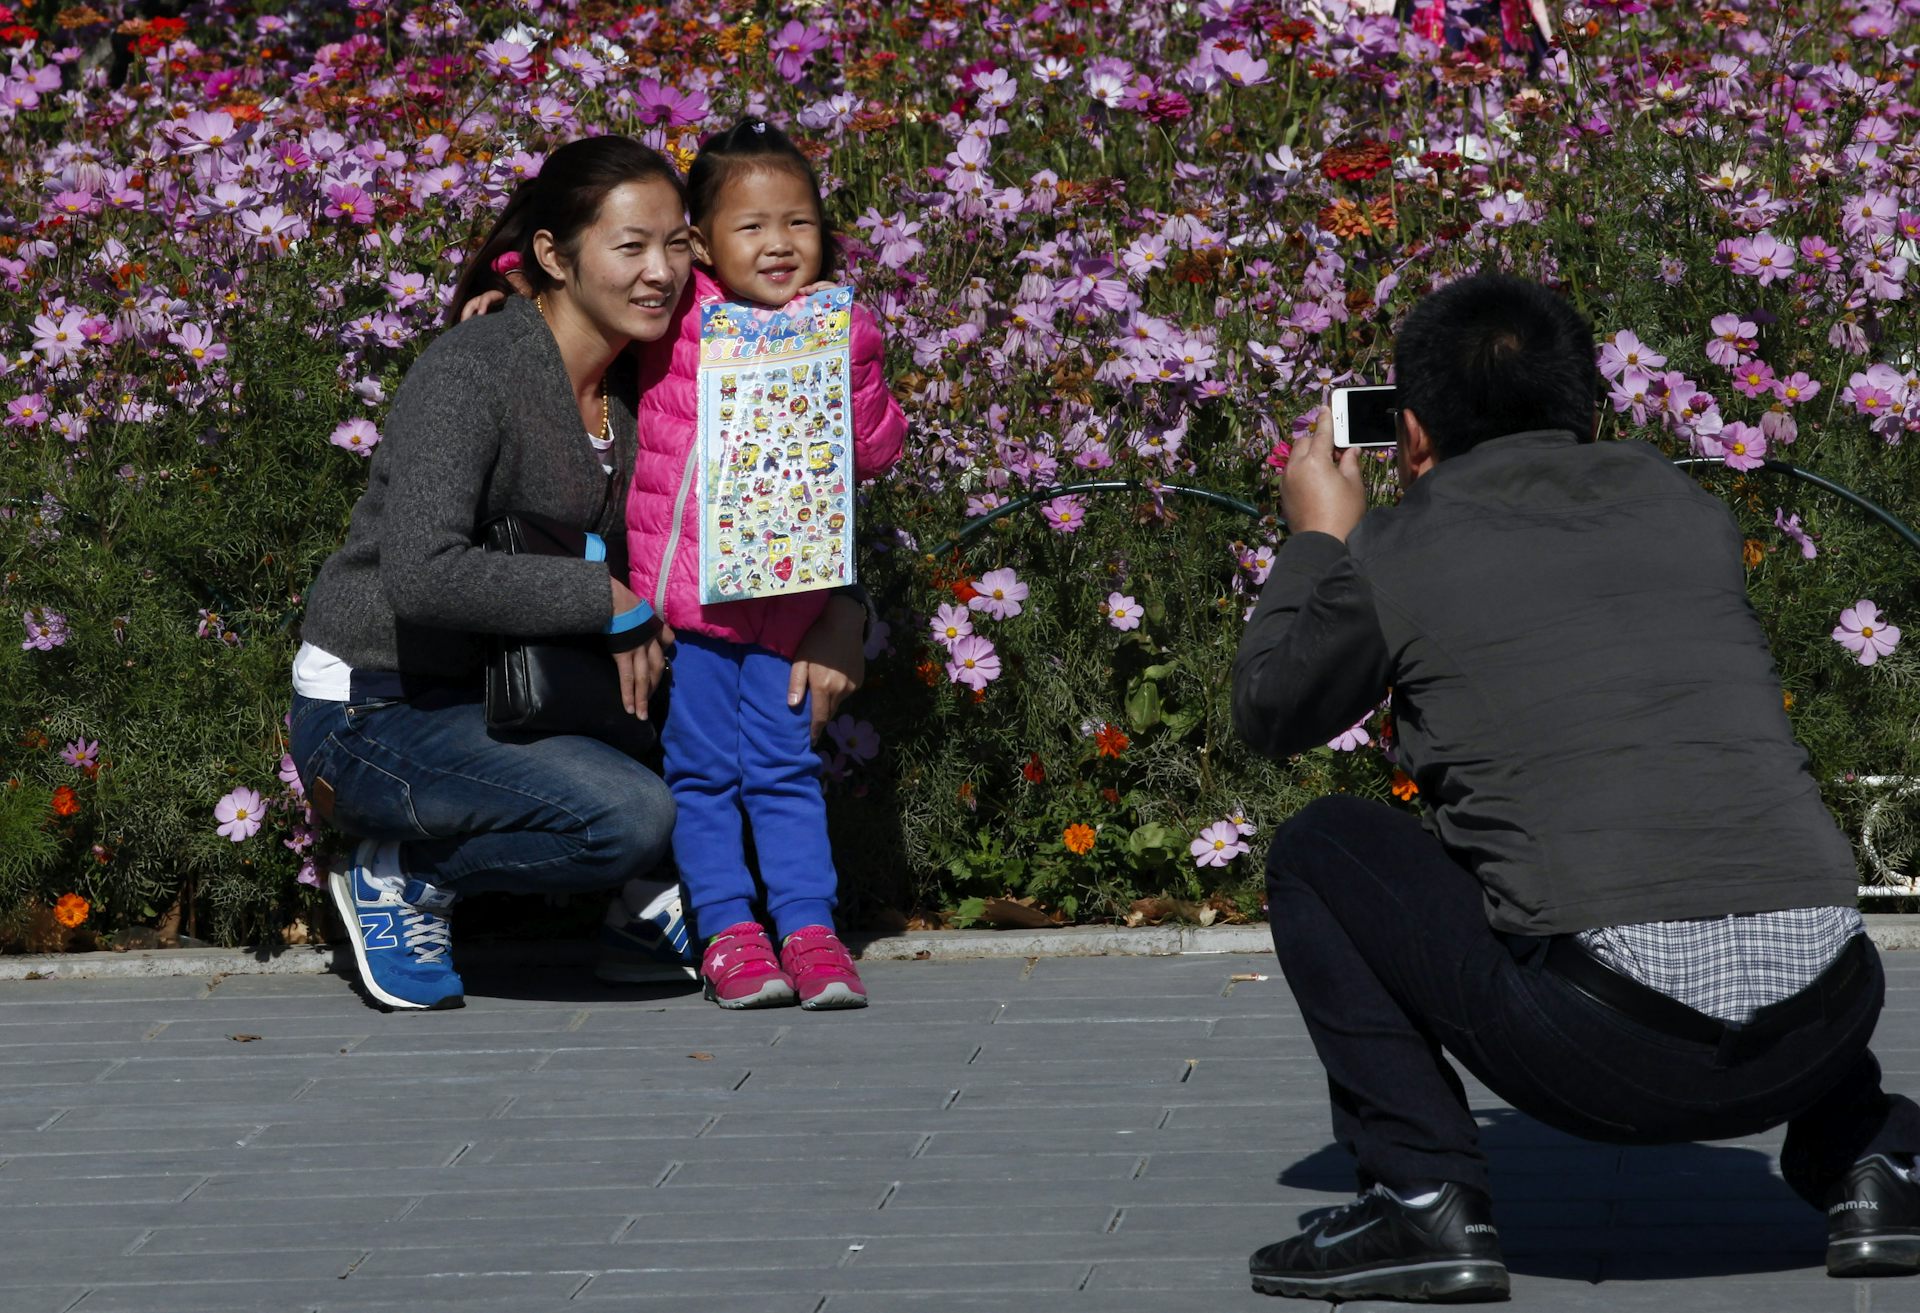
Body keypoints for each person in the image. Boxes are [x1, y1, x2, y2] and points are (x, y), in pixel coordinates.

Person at [1230, 271, 1920, 1303]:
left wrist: (1319, 537)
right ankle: (1876, 1157)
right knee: (1705, 821)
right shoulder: (1678, 504)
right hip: (1829, 1010)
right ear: (1587, 406)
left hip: (1612, 1052)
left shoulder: (1397, 545)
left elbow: (1270, 708)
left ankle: (1421, 1198)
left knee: (1322, 848)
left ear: (1411, 435)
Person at [289, 136, 869, 1011]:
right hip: (378, 701)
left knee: (719, 693)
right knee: (628, 816)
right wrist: (605, 601)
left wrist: (842, 612)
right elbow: (421, 571)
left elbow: (764, 503)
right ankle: (404, 872)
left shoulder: (655, 375)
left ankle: (641, 912)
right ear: (556, 256)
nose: (661, 273)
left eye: (677, 244)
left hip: (525, 688)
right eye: (629, 248)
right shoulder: (473, 368)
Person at [630, 118, 905, 1012]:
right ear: (703, 242)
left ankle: (810, 931)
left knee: (786, 768)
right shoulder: (677, 320)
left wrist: (855, 358)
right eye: (751, 226)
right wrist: (505, 287)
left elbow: (872, 452)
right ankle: (729, 933)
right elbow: (586, 285)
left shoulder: (832, 324)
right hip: (696, 607)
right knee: (703, 774)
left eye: (799, 222)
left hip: (789, 601)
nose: (779, 243)